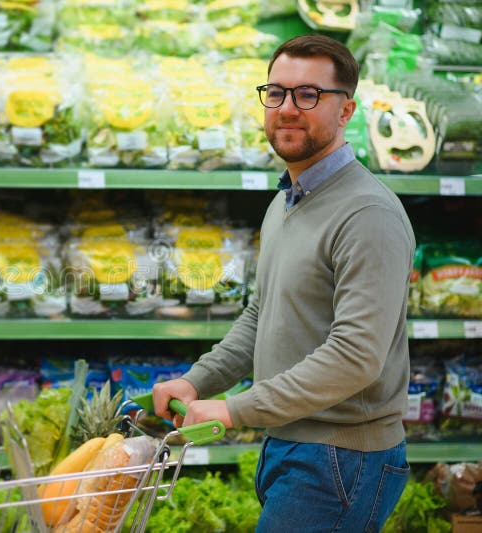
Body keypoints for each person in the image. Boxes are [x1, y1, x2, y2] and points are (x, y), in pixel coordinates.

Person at [152, 34, 415, 532]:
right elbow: (260, 315)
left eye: (309, 94)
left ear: (346, 111)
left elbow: (356, 355)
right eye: (276, 93)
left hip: (342, 458)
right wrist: (197, 380)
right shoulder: (286, 201)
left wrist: (235, 409)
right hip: (292, 443)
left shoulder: (368, 214)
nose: (288, 108)